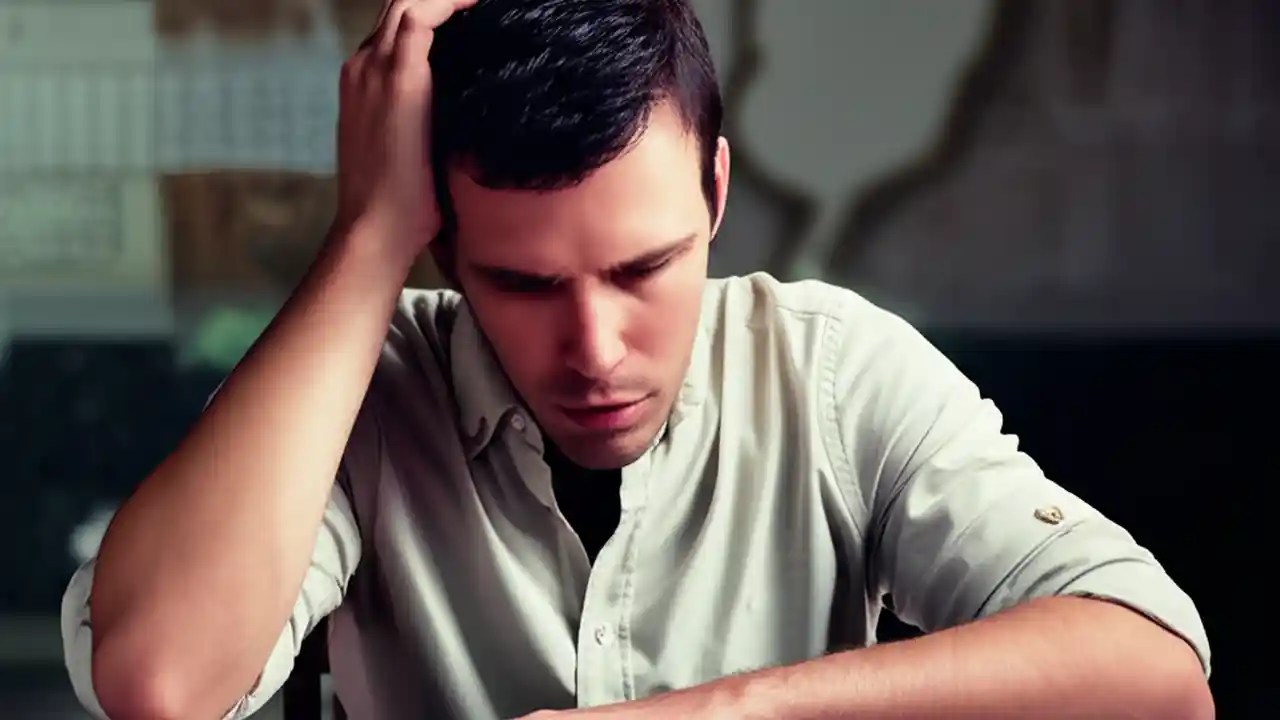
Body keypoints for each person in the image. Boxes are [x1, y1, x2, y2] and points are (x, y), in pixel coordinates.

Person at [62, 1, 1213, 718]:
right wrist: (366, 238)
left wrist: (721, 717)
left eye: (642, 267)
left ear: (714, 193)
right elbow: (162, 684)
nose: (596, 352)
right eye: (521, 282)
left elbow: (1153, 676)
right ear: (443, 249)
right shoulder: (358, 392)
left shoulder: (829, 367)